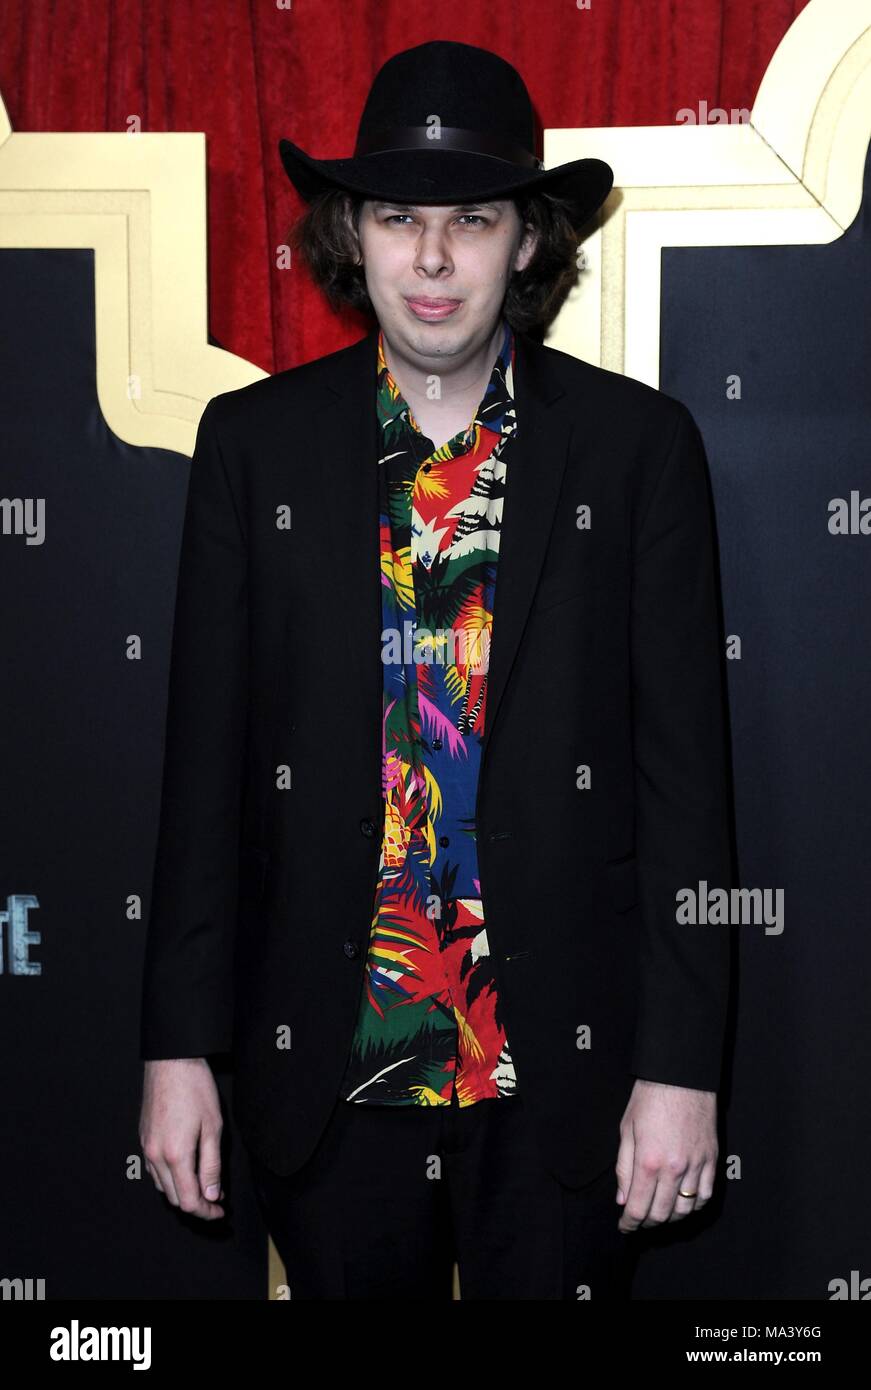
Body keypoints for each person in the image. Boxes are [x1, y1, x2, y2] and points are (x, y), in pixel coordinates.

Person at [139, 40, 733, 1301]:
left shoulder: (638, 453)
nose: (429, 258)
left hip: (563, 1080)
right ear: (351, 233)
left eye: (471, 219)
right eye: (398, 216)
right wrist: (177, 1047)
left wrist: (681, 1068)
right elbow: (205, 780)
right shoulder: (253, 448)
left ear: (527, 243)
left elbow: (687, 790)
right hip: (331, 1072)